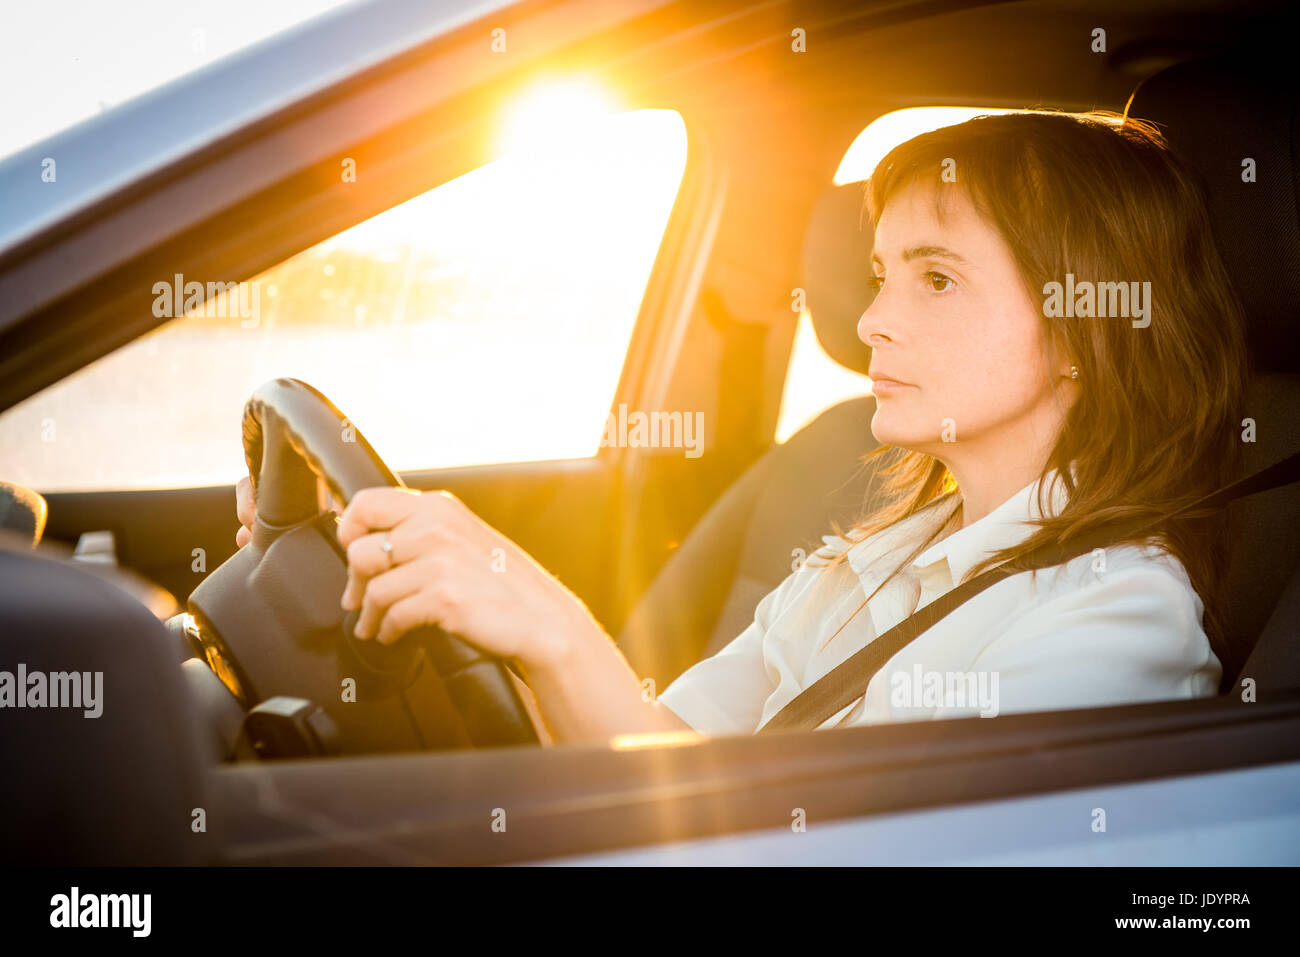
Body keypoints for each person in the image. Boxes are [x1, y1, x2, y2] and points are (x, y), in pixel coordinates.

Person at [236, 110, 1249, 744]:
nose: (870, 322)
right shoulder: (878, 553)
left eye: (936, 278)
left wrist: (549, 623)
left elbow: (807, 850)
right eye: (880, 276)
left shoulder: (1113, 624)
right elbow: (660, 752)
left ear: (1083, 330)